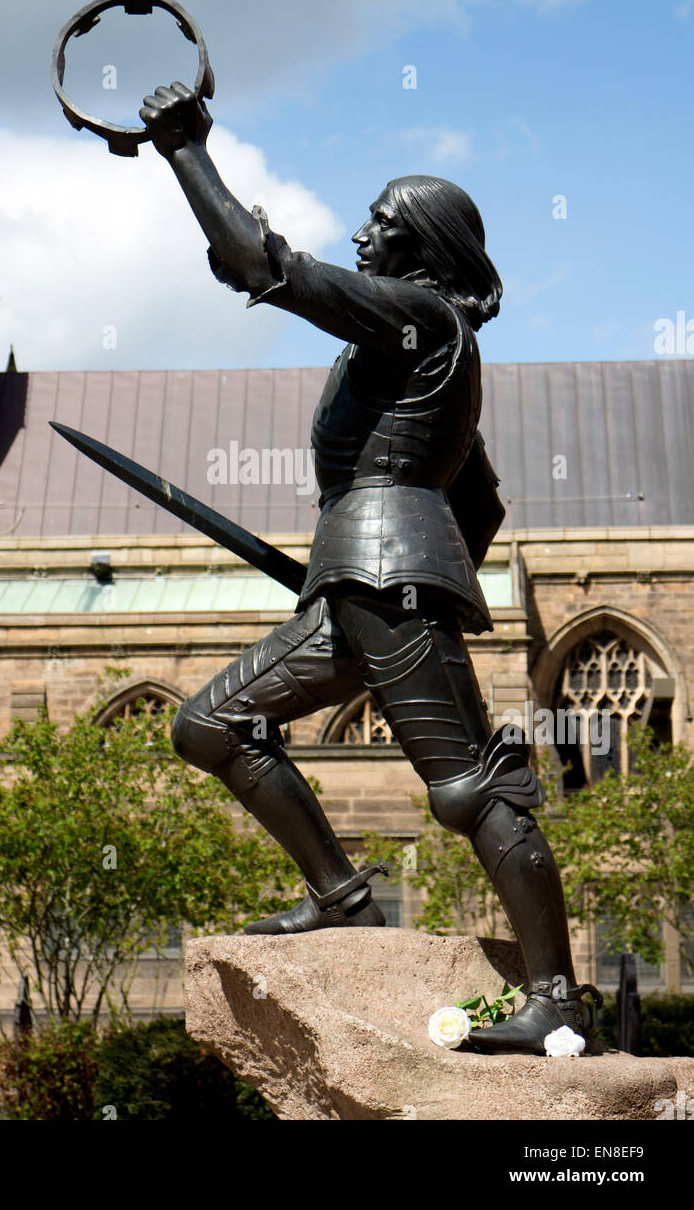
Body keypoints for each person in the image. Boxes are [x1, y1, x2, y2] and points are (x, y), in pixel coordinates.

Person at [139, 81, 600, 1055]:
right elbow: (477, 502)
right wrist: (399, 583)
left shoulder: (425, 323)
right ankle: (340, 895)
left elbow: (264, 265)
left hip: (380, 582)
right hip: (362, 584)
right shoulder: (422, 354)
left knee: (469, 787)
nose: (360, 234)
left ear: (422, 251)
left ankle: (556, 998)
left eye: (380, 224)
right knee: (209, 724)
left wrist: (185, 151)